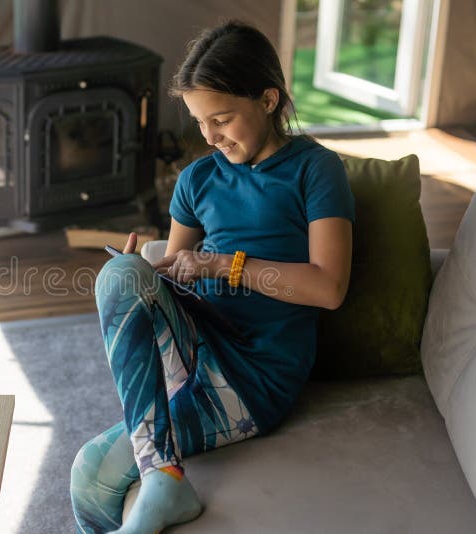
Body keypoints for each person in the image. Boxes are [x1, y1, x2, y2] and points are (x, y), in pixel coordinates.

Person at [70, 20, 355, 533]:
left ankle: (162, 477)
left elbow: (328, 288)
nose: (209, 135)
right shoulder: (197, 178)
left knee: (92, 471)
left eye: (222, 118)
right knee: (119, 273)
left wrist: (224, 264)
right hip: (197, 352)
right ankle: (164, 475)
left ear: (269, 100)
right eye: (201, 122)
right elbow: (179, 279)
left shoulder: (315, 170)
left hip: (257, 375)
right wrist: (144, 277)